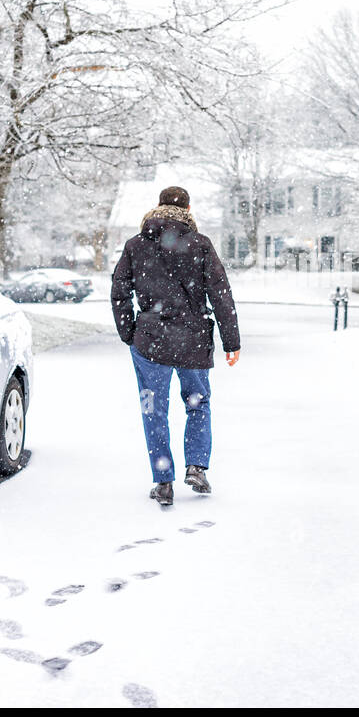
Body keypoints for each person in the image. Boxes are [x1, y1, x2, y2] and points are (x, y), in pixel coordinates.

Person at [110, 186, 241, 506]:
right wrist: (231, 341)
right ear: (189, 208)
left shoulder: (136, 245)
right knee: (197, 403)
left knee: (153, 408)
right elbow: (220, 293)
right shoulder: (200, 245)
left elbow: (119, 292)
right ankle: (196, 466)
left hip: (150, 340)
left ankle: (163, 480)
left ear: (157, 207)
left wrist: (131, 333)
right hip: (193, 339)